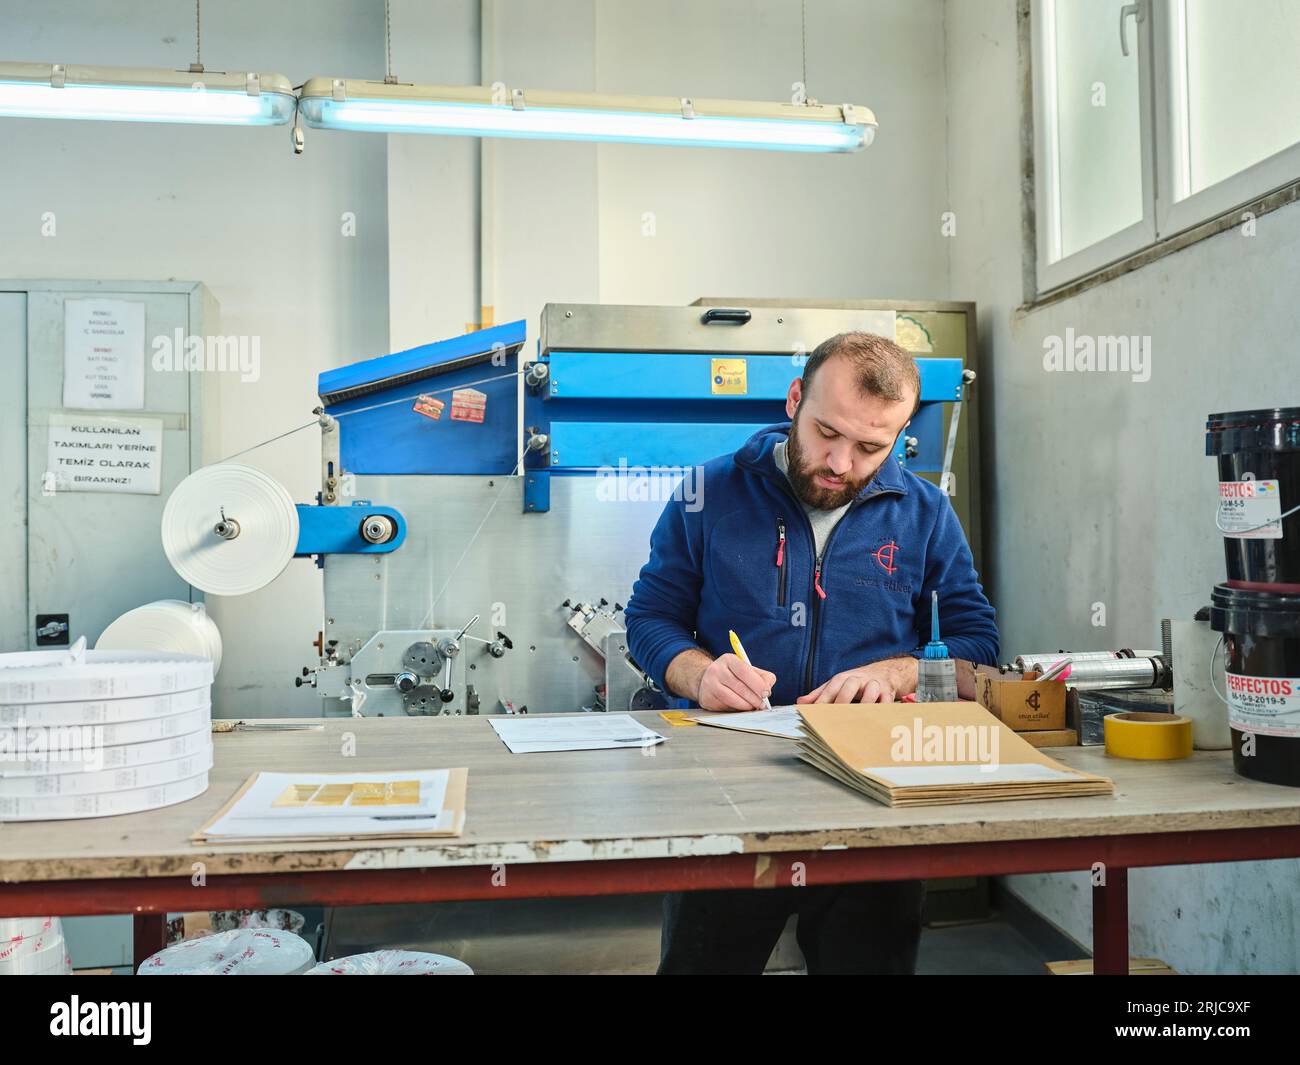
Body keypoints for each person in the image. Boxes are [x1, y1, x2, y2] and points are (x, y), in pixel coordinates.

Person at [623, 330, 999, 974]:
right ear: (795, 399)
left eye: (871, 447)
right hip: (730, 790)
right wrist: (699, 672)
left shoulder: (927, 514)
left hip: (873, 796)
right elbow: (651, 620)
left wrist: (901, 668)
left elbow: (978, 645)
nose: (840, 463)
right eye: (826, 432)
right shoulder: (707, 494)